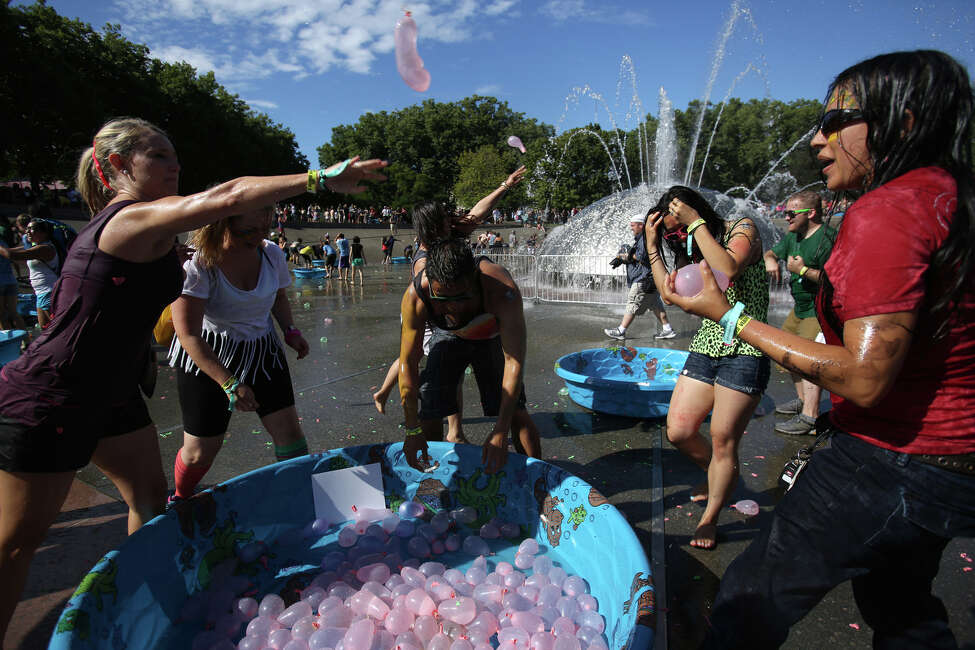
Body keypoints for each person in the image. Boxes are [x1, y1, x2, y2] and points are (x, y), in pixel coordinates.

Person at [0, 116, 386, 643]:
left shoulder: (170, 233)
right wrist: (319, 178)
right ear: (116, 165)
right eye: (158, 155)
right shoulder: (126, 220)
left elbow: (248, 257)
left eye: (174, 155)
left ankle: (152, 615)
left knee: (150, 501)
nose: (174, 165)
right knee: (18, 543)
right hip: (54, 392)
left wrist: (288, 328)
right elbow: (229, 198)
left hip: (115, 393)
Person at [663, 51, 975, 647]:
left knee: (746, 604)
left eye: (836, 122)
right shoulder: (953, 198)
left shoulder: (892, 208)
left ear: (902, 121)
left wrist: (728, 316)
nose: (816, 140)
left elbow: (862, 378)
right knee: (901, 605)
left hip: (892, 458)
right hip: (955, 461)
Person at [645, 186, 769, 550]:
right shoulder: (694, 247)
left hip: (746, 348)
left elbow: (728, 266)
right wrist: (653, 245)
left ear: (694, 212)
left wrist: (693, 223)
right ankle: (719, 474)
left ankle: (710, 517)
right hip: (706, 346)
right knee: (679, 432)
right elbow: (669, 295)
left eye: (678, 227)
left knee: (722, 439)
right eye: (673, 232)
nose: (679, 235)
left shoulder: (741, 229)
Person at [168, 206, 310, 504]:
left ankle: (297, 501)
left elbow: (280, 297)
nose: (260, 237)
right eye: (249, 232)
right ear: (221, 224)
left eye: (265, 229)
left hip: (262, 351)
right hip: (208, 355)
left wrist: (290, 331)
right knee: (200, 452)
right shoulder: (198, 262)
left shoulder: (271, 253)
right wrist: (229, 383)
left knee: (290, 434)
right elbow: (188, 334)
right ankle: (180, 498)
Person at [372, 166, 527, 419]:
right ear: (432, 226)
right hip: (431, 310)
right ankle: (399, 400)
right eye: (445, 218)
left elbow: (478, 212)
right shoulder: (424, 260)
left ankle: (454, 430)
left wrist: (506, 185)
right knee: (433, 364)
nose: (451, 220)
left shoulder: (449, 232)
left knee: (440, 365)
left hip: (447, 307)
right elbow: (433, 300)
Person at [399, 237, 541, 474]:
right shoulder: (416, 296)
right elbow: (407, 362)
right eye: (443, 299)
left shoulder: (501, 289)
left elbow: (513, 362)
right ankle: (432, 479)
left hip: (491, 337)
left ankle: (538, 478)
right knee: (430, 405)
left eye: (462, 297)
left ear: (474, 280)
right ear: (430, 284)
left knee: (516, 410)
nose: (453, 307)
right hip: (448, 335)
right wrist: (412, 430)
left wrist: (499, 430)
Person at [763, 190, 837, 435]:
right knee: (785, 354)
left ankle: (811, 417)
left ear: (811, 213)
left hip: (820, 310)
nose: (786, 218)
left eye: (791, 213)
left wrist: (803, 270)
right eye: (785, 213)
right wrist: (771, 259)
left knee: (805, 359)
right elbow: (771, 252)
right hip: (800, 308)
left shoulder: (826, 240)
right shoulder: (794, 235)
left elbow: (835, 281)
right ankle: (803, 400)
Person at [604, 213, 676, 341]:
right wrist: (624, 258)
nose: (631, 227)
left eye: (633, 225)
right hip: (650, 278)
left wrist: (625, 256)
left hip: (643, 279)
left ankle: (621, 331)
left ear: (641, 225)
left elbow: (643, 257)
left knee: (632, 303)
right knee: (655, 305)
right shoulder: (644, 238)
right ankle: (667, 329)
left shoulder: (644, 239)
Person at [0, 220, 61, 328]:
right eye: (27, 229)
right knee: (45, 331)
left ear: (44, 233)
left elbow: (11, 255)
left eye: (32, 229)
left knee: (55, 331)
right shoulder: (35, 247)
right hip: (40, 294)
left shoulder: (45, 248)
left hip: (49, 293)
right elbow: (9, 251)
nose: (27, 231)